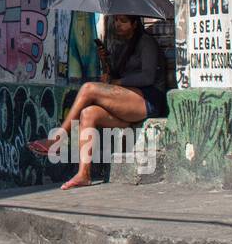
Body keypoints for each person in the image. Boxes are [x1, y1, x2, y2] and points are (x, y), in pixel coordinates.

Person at [30, 14, 167, 190]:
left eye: (124, 21)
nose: (118, 24)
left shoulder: (146, 43)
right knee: (88, 114)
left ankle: (57, 138)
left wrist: (117, 83)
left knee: (88, 89)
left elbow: (147, 77)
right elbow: (117, 78)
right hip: (129, 104)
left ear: (134, 24)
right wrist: (105, 62)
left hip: (148, 101)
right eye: (117, 20)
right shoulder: (123, 46)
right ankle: (83, 174)